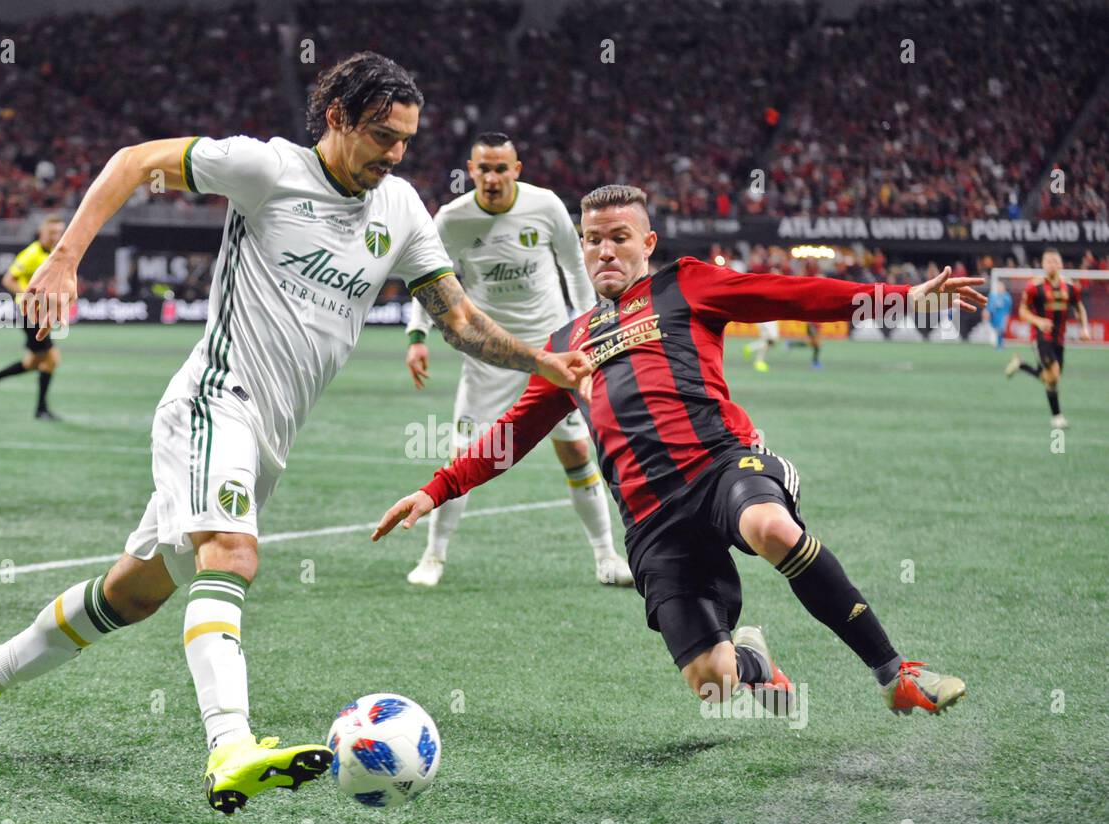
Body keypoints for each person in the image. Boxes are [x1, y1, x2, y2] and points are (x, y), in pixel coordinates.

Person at [0, 53, 589, 815]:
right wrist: (64, 259)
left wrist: (542, 362)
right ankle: (230, 747)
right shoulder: (268, 169)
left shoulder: (402, 208)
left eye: (406, 141)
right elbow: (135, 160)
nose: (395, 153)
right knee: (232, 555)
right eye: (382, 135)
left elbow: (460, 320)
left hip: (269, 437)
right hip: (214, 400)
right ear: (337, 117)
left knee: (131, 594)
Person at [375, 184, 981, 717]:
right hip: (651, 518)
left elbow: (789, 294)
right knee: (712, 683)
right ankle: (751, 662)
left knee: (769, 527)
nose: (604, 251)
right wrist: (436, 489)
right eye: (592, 240)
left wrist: (899, 296)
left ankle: (895, 674)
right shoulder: (565, 343)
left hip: (720, 466)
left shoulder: (688, 283)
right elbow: (513, 432)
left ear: (647, 243)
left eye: (619, 237)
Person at [403, 132, 631, 588]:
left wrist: (589, 324)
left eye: (501, 169)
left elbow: (574, 266)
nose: (492, 178)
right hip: (490, 356)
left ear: (516, 170)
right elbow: (428, 277)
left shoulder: (545, 206)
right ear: (471, 171)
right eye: (484, 169)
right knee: (463, 455)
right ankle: (433, 556)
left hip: (552, 351)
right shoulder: (452, 219)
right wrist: (417, 335)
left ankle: (606, 556)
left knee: (575, 450)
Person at [0, 214, 67, 419]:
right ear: (42, 232)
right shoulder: (31, 254)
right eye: (52, 232)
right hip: (30, 312)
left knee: (33, 362)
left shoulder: (53, 253)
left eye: (59, 232)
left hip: (40, 312)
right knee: (51, 359)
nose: (56, 236)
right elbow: (8, 280)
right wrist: (29, 296)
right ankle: (41, 409)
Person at [1004, 248, 1090, 428]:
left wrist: (1085, 328)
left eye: (1055, 261)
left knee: (1052, 378)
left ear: (1060, 264)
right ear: (1043, 264)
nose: (1051, 264)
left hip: (1059, 339)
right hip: (1040, 337)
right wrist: (1039, 321)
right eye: (1048, 261)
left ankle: (1021, 366)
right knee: (1054, 373)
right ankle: (1057, 418)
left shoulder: (1070, 287)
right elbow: (1022, 311)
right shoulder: (1034, 287)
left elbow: (1079, 307)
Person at [984, 275, 1012, 350]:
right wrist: (987, 312)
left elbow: (1009, 307)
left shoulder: (1007, 297)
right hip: (994, 316)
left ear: (1004, 287)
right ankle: (998, 344)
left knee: (1001, 330)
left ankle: (1000, 344)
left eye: (1001, 286)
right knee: (996, 330)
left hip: (1002, 316)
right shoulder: (993, 296)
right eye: (998, 286)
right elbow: (989, 306)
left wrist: (1007, 316)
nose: (999, 287)